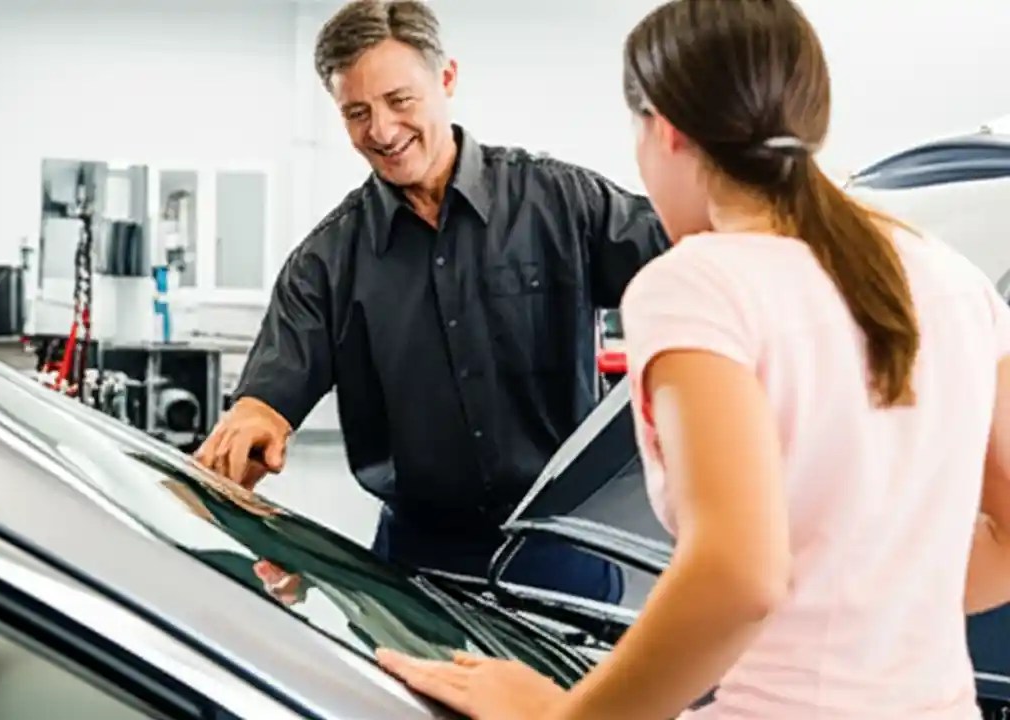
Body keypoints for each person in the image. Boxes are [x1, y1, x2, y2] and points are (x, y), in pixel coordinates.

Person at [375, 0, 1010, 718]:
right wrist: (871, 611)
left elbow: (737, 576)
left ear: (665, 130)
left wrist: (563, 717)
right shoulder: (953, 279)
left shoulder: (698, 284)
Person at [193, 0, 668, 603]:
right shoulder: (327, 261)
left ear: (446, 79)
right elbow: (268, 396)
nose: (383, 132)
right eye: (357, 113)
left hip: (563, 556)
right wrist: (253, 419)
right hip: (416, 570)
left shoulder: (560, 203)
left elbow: (692, 261)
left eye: (400, 101)